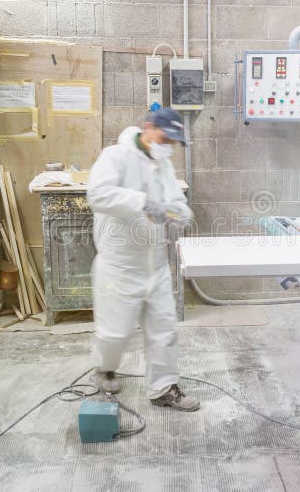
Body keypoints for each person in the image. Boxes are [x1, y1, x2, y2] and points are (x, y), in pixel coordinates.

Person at [86, 107, 199, 411]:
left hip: (156, 265)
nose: (168, 146)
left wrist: (179, 212)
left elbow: (175, 202)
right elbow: (97, 194)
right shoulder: (116, 157)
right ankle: (104, 368)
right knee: (114, 332)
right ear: (148, 127)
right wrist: (143, 202)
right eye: (164, 138)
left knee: (164, 329)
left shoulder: (163, 165)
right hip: (120, 265)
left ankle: (163, 388)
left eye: (173, 142)